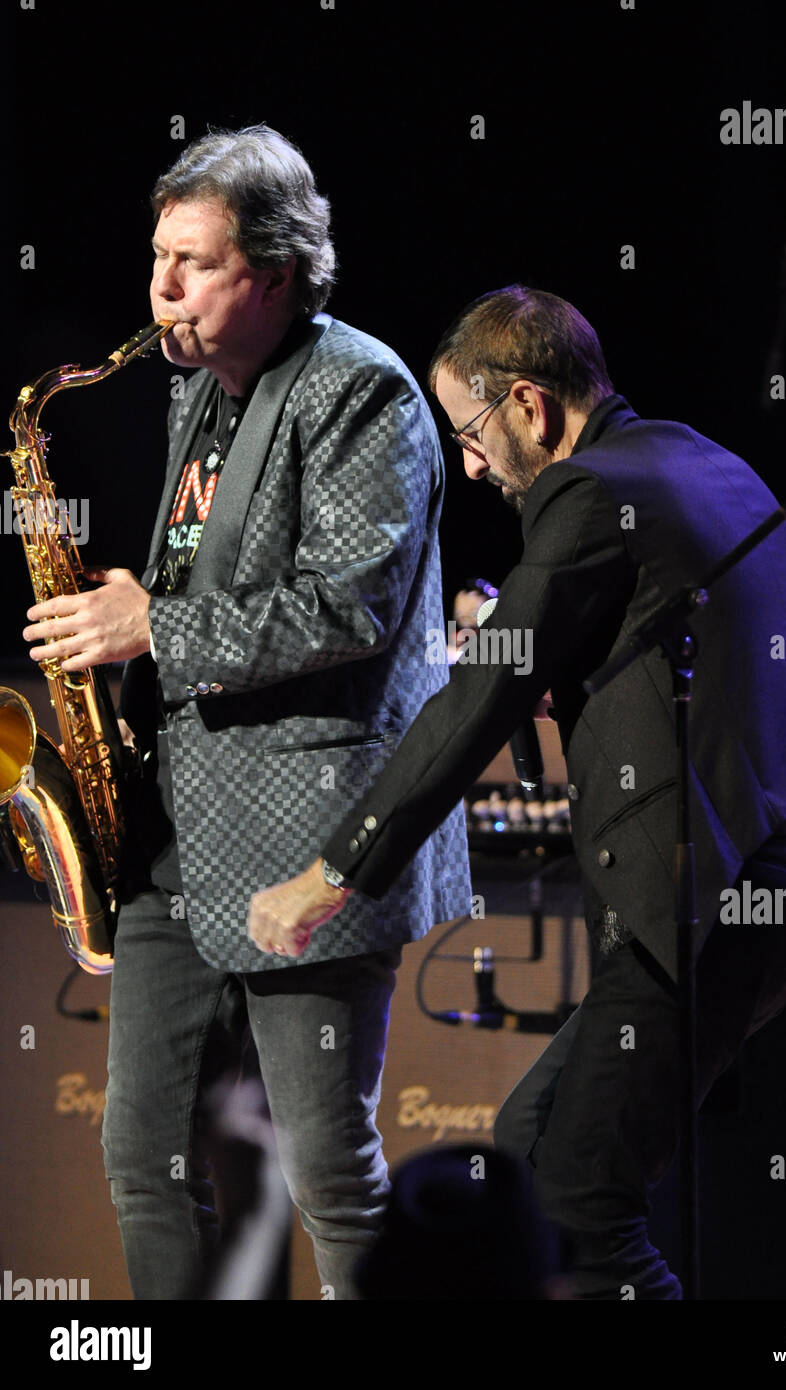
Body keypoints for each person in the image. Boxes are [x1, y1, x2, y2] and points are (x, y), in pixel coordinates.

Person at [247, 284, 786, 1300]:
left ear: (529, 406)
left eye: (469, 432)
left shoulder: (587, 493)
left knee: (575, 1191)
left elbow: (473, 704)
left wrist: (335, 870)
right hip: (777, 872)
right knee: (538, 1148)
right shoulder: (698, 459)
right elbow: (675, 644)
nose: (468, 464)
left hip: (716, 884)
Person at [22, 125, 471, 1300]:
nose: (161, 291)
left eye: (194, 264)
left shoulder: (359, 387)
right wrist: (132, 621)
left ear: (273, 272)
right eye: (158, 260)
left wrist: (154, 629)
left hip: (312, 837)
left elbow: (352, 606)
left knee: (330, 1173)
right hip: (177, 838)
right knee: (141, 1157)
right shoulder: (202, 399)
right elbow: (209, 584)